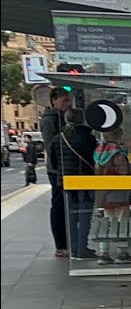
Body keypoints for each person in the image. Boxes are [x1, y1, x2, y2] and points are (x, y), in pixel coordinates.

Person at [57, 108, 99, 260]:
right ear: (82, 120)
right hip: (85, 180)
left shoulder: (59, 138)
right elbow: (94, 158)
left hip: (66, 182)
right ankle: (82, 248)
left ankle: (73, 248)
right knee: (85, 215)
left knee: (71, 216)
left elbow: (54, 162)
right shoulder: (89, 138)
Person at [94, 129, 131, 265]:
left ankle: (103, 253)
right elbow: (125, 176)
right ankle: (122, 253)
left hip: (104, 194)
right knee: (122, 223)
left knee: (107, 223)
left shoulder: (99, 152)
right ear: (117, 137)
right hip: (120, 194)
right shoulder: (118, 154)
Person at [38, 88, 72, 257]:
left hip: (63, 168)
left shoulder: (61, 117)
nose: (68, 104)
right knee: (59, 205)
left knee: (65, 205)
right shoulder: (50, 120)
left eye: (68, 100)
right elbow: (51, 146)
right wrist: (59, 168)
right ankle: (61, 244)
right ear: (54, 101)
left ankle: (66, 241)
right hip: (58, 169)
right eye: (64, 100)